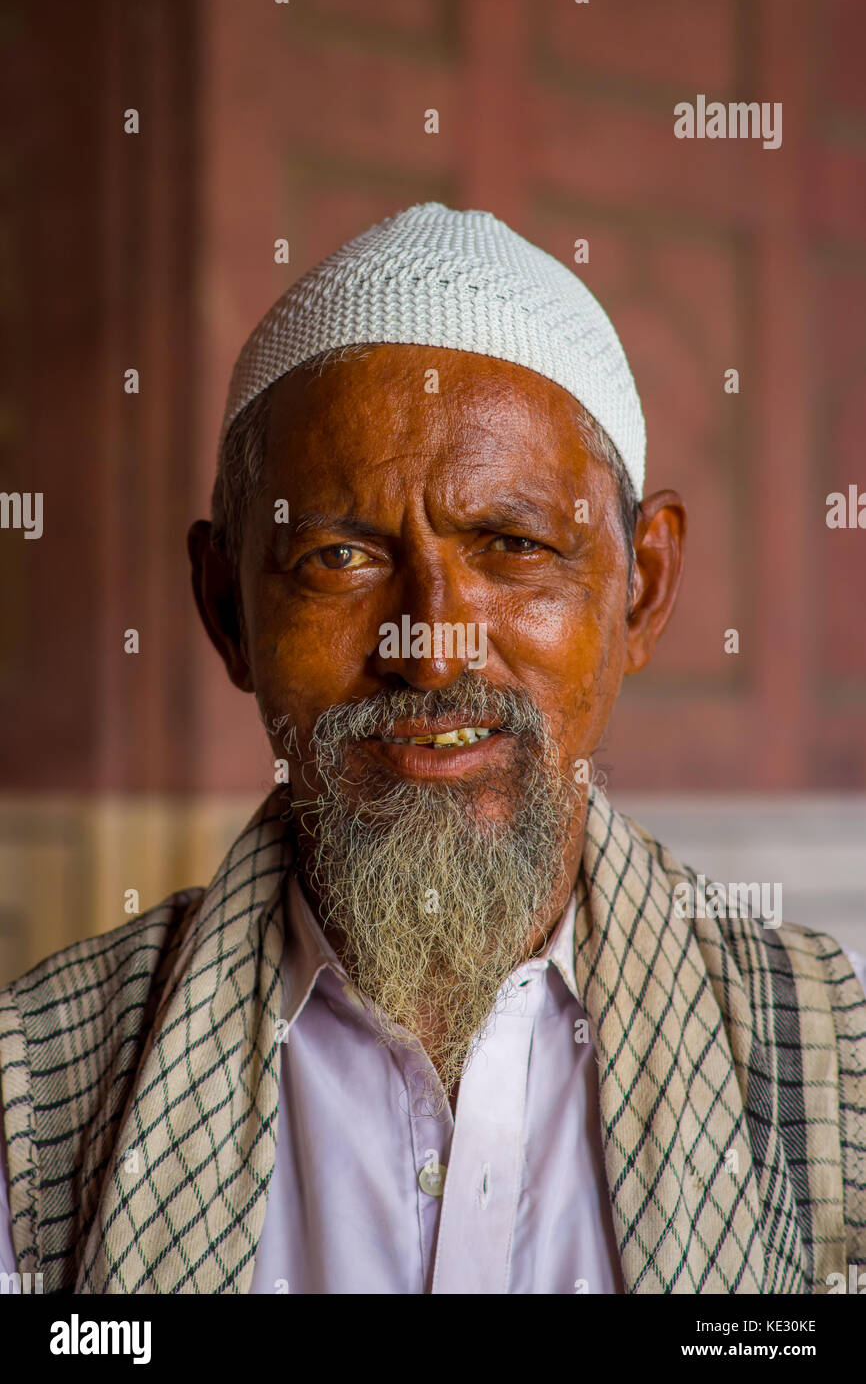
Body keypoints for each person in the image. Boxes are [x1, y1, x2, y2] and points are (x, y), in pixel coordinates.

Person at [1, 203, 864, 1295]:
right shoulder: (40, 1105)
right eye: (338, 557)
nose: (429, 643)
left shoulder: (834, 1073)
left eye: (511, 546)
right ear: (227, 608)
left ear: (641, 586)